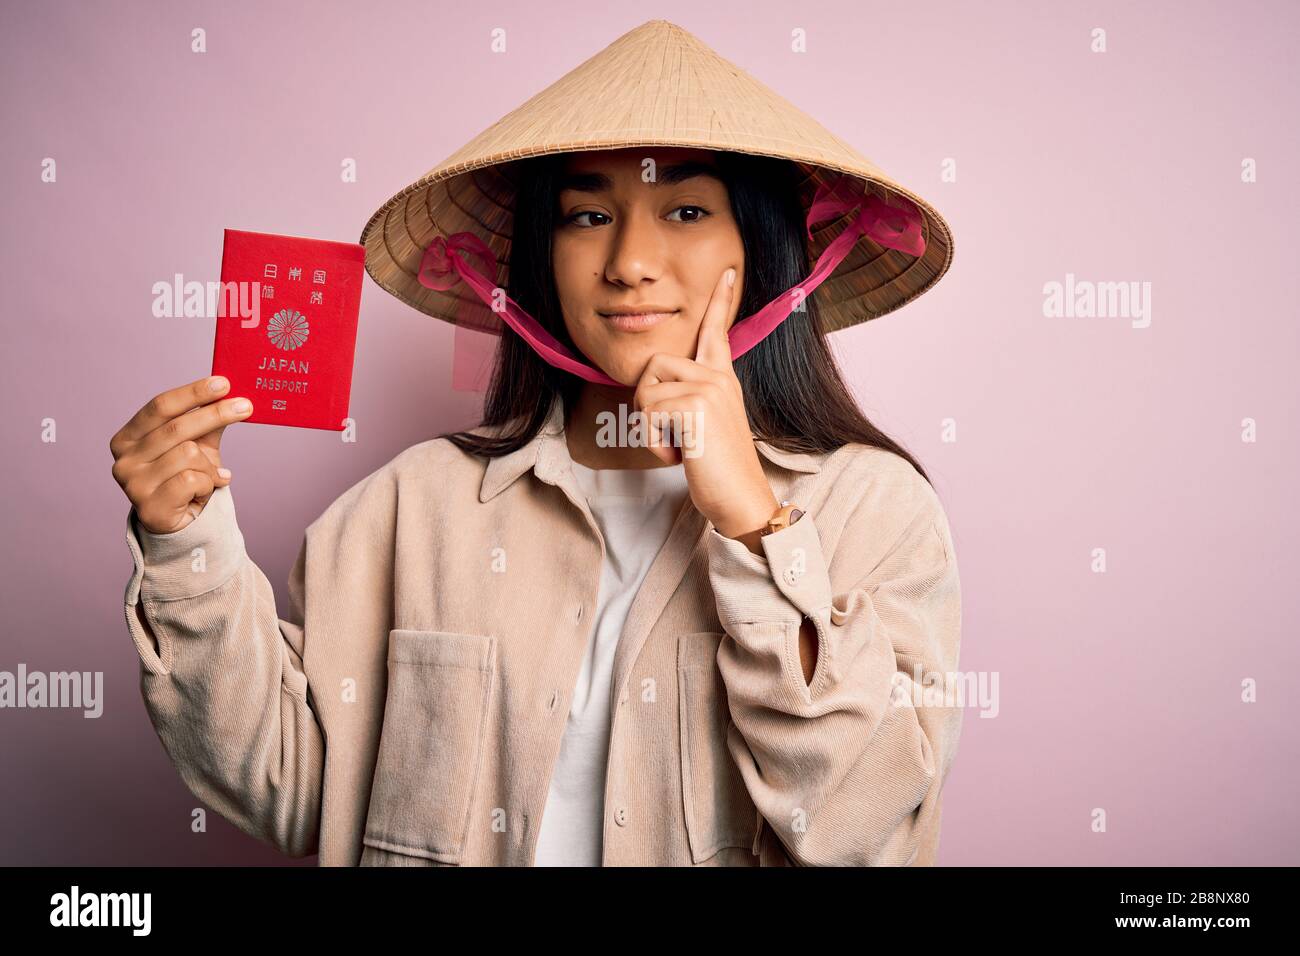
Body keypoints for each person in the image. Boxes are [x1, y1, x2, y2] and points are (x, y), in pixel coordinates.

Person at [109, 20, 961, 866]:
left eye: (689, 209)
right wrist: (188, 549)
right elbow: (298, 796)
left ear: (766, 250)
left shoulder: (875, 511)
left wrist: (756, 525)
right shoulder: (412, 505)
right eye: (587, 215)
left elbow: (864, 835)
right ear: (539, 262)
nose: (628, 261)